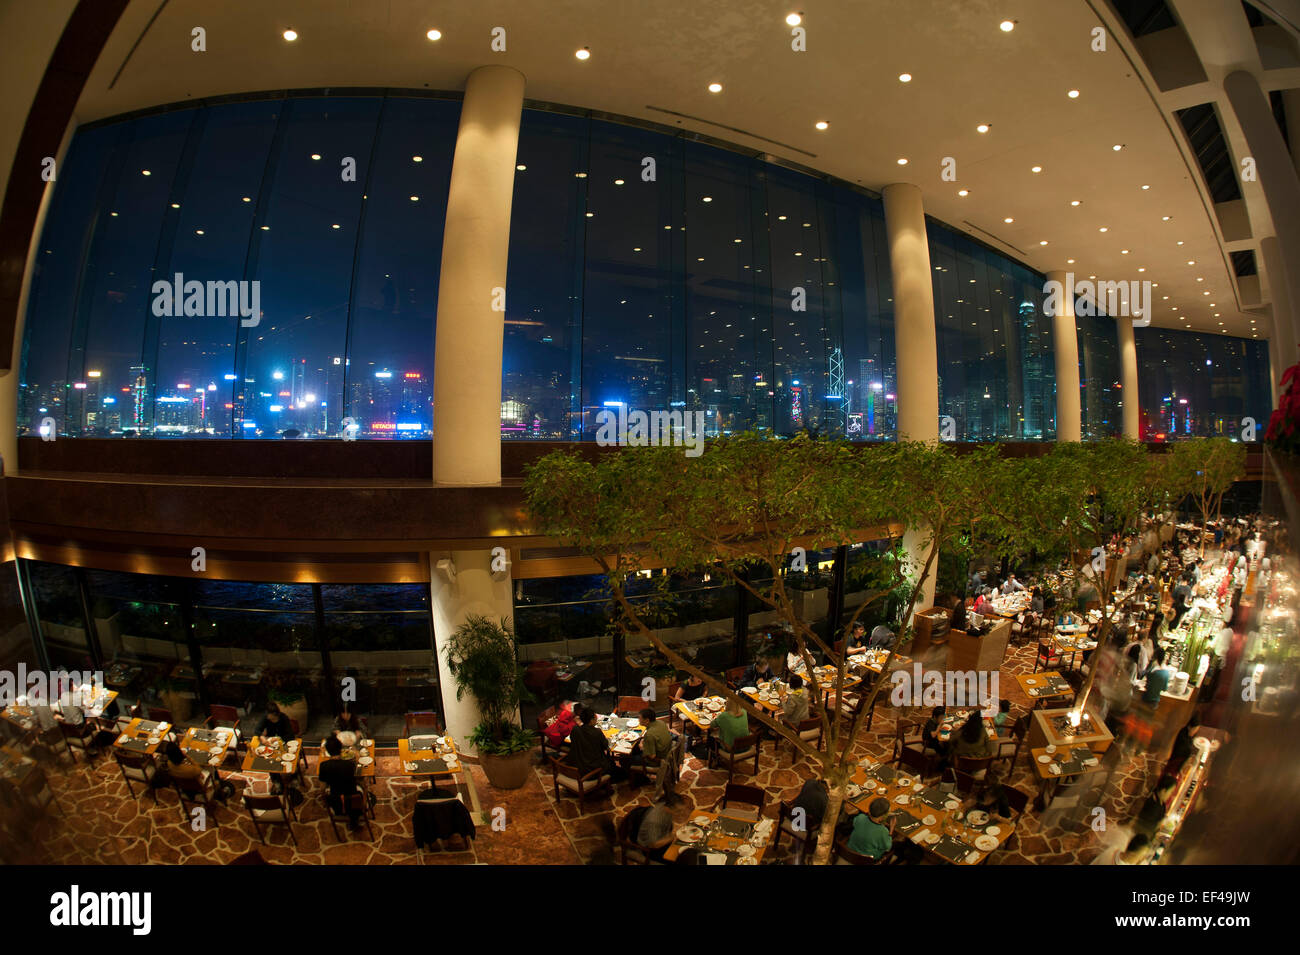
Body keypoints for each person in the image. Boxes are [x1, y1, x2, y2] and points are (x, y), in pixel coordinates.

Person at [638, 708, 682, 805]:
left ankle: (639, 779)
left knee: (626, 759)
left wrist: (642, 747)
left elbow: (652, 756)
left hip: (658, 760)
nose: (638, 720)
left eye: (639, 718)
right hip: (667, 751)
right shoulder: (661, 723)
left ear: (647, 720)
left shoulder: (649, 735)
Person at [319, 734, 363, 825]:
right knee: (363, 784)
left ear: (328, 751)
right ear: (340, 749)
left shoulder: (323, 766)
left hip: (336, 803)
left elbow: (322, 788)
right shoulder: (350, 765)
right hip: (354, 803)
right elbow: (360, 773)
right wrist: (356, 753)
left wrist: (324, 801)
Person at [567, 705, 618, 779]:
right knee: (615, 768)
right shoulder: (597, 732)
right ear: (591, 720)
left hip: (578, 764)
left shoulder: (575, 729)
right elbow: (605, 746)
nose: (596, 718)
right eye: (595, 717)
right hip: (592, 769)